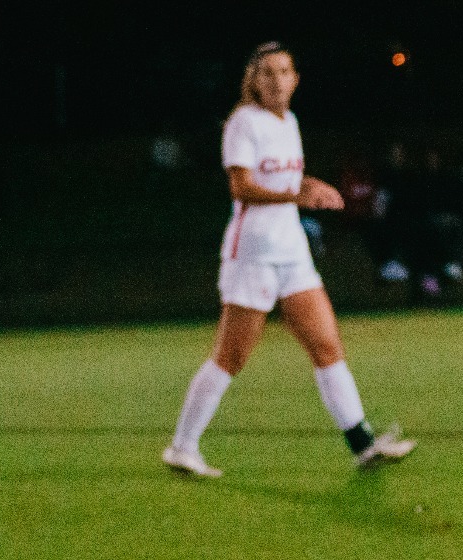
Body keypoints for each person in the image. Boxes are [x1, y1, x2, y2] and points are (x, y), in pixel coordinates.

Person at [163, 42, 416, 477]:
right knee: (231, 355)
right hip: (253, 255)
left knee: (326, 344)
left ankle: (363, 444)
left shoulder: (290, 121)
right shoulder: (244, 122)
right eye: (267, 73)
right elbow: (241, 188)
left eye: (284, 71)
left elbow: (286, 179)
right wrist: (297, 193)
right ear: (254, 82)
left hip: (292, 253)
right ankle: (183, 447)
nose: (277, 80)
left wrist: (311, 185)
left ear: (296, 79)